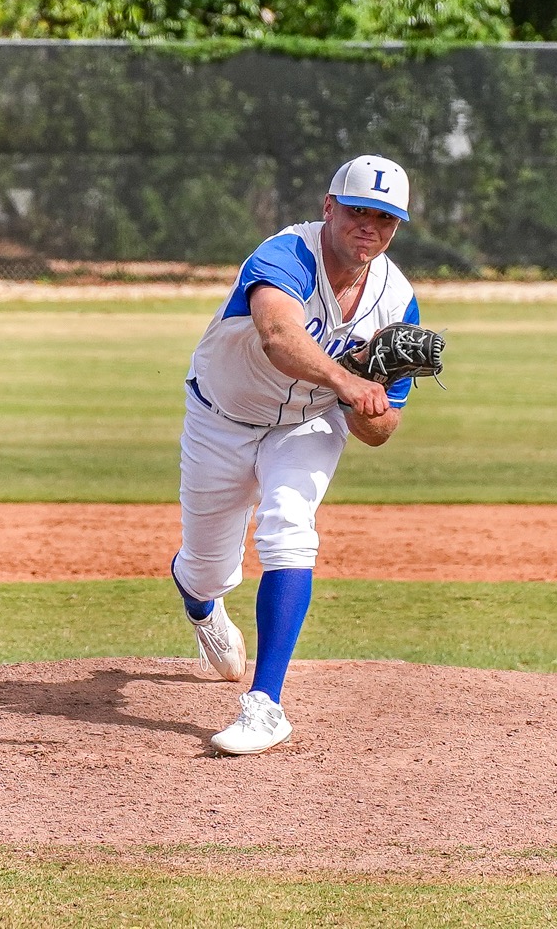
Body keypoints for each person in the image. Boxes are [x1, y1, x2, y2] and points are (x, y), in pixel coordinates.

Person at [172, 155, 423, 755]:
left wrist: (372, 406)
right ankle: (204, 608)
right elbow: (279, 336)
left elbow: (382, 430)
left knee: (289, 526)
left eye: (385, 218)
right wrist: (349, 381)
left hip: (308, 425)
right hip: (220, 420)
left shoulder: (398, 299)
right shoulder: (284, 256)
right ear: (328, 207)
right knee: (206, 568)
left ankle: (265, 706)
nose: (371, 226)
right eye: (359, 210)